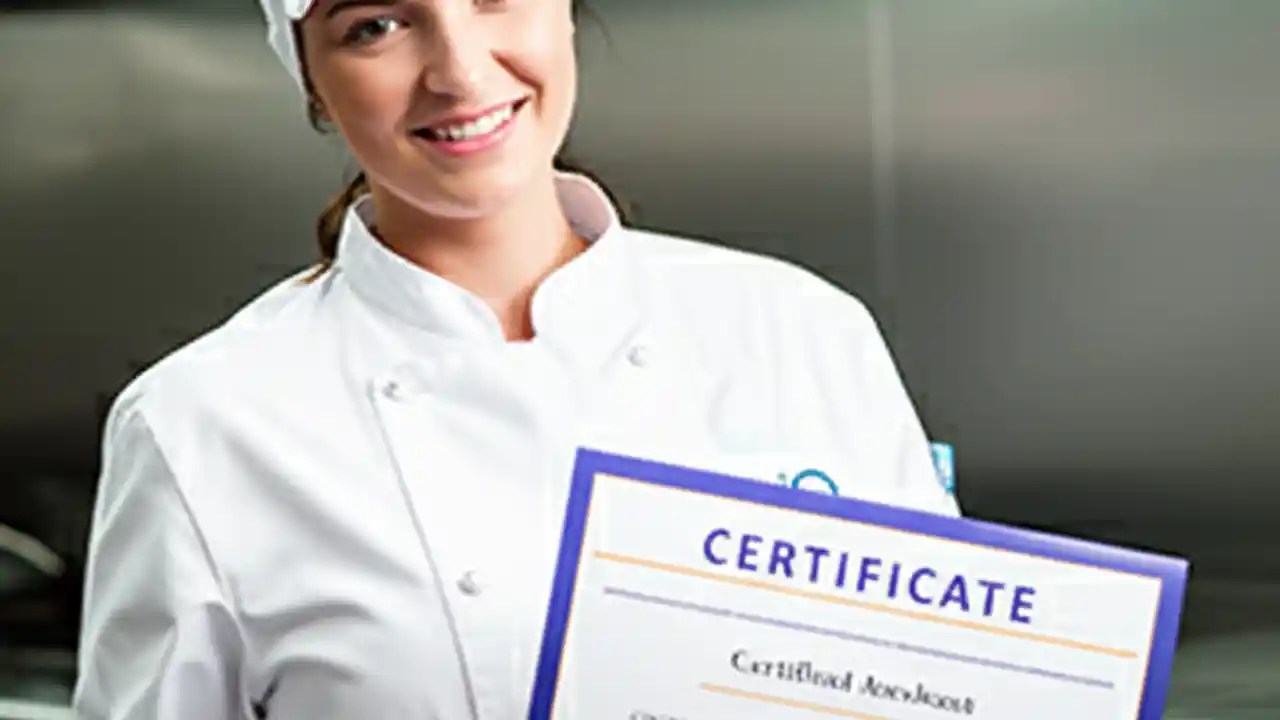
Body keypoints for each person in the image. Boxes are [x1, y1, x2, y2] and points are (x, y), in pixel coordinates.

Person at [73, 0, 960, 717]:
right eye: (375, 25)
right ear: (313, 82)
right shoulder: (201, 421)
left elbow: (959, 681)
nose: (459, 71)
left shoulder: (801, 331)